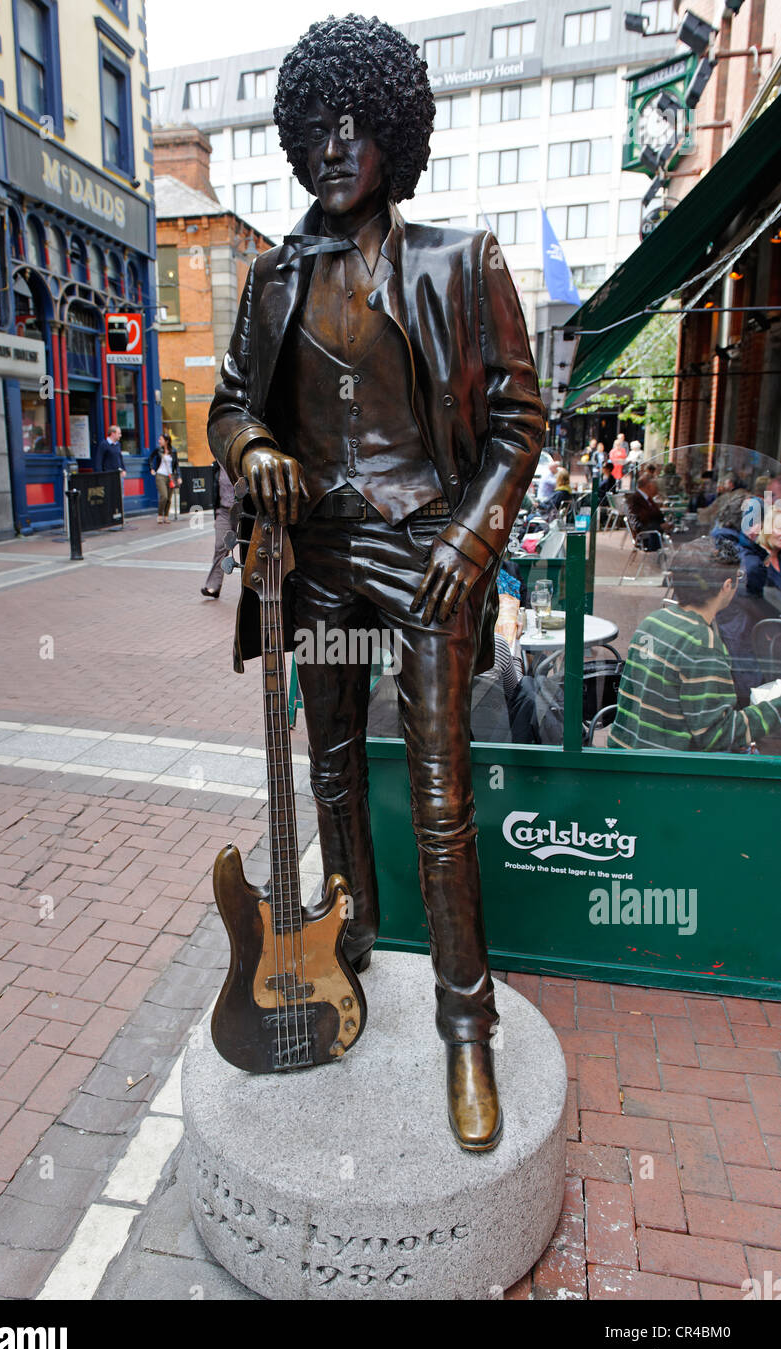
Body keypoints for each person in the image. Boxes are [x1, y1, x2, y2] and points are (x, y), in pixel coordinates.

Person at [207, 14, 546, 1151]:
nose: (336, 147)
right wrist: (250, 448)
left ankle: (466, 1031)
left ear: (395, 137)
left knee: (443, 803)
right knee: (336, 776)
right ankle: (347, 956)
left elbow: (516, 419)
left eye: (357, 127)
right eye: (316, 128)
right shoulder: (269, 278)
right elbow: (231, 403)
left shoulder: (461, 262)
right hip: (319, 570)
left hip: (425, 557)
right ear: (299, 140)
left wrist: (470, 540)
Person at [608, 537, 781, 753]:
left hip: (631, 757)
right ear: (727, 586)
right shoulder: (702, 643)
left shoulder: (653, 621)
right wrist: (776, 709)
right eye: (737, 576)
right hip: (672, 771)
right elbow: (718, 736)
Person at [201, 462, 236, 598]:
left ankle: (251, 588)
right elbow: (215, 489)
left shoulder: (242, 462)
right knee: (220, 546)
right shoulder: (218, 465)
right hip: (224, 511)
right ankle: (213, 586)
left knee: (249, 550)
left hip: (243, 512)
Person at [626, 472, 668, 551]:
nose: (657, 489)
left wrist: (664, 523)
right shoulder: (635, 499)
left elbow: (656, 515)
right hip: (647, 536)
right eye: (655, 486)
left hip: (654, 531)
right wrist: (659, 526)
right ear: (648, 486)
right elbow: (638, 524)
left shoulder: (648, 499)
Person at [148, 433, 178, 524]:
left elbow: (176, 465)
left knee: (169, 498)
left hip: (170, 476)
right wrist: (152, 468)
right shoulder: (158, 450)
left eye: (161, 439)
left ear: (166, 441)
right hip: (160, 475)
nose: (159, 441)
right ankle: (160, 515)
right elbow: (151, 457)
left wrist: (179, 477)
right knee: (164, 496)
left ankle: (166, 516)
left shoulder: (173, 451)